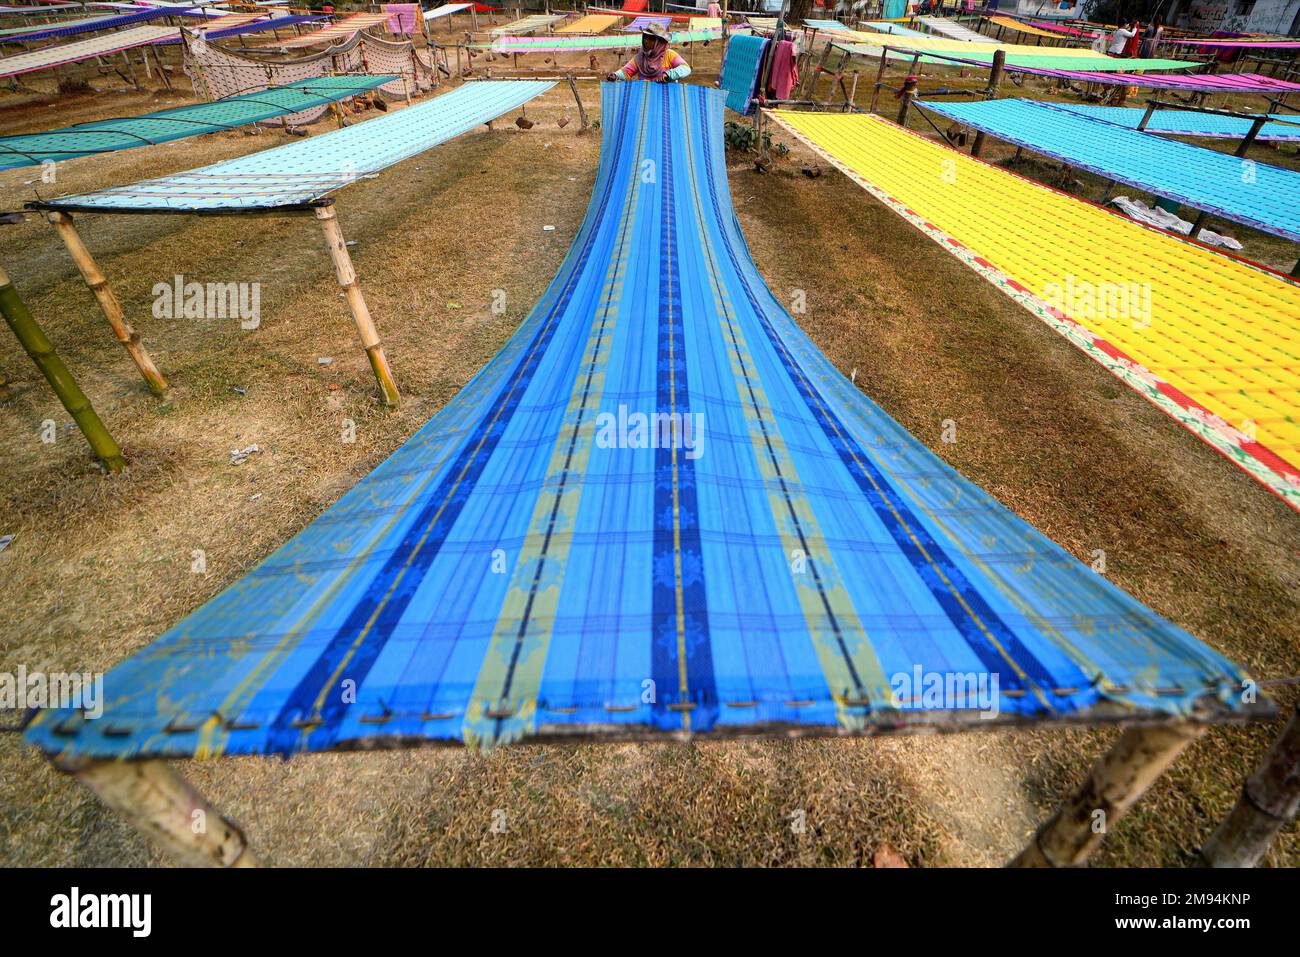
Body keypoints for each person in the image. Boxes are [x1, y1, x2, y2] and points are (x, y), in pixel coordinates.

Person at [606, 23, 692, 83]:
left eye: (651, 38)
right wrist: (615, 75)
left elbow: (686, 69)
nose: (646, 41)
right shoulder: (639, 58)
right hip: (646, 99)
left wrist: (668, 74)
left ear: (660, 41)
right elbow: (626, 72)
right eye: (645, 37)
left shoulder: (669, 55)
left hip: (666, 99)